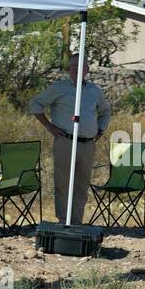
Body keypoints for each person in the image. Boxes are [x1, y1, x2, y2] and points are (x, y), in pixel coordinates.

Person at [28, 53, 112, 225]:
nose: (76, 69)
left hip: (88, 144)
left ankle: (76, 222)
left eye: (81, 67)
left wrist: (100, 130)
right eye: (73, 66)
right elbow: (35, 104)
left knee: (82, 185)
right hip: (65, 141)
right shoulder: (59, 88)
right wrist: (48, 126)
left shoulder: (94, 91)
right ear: (69, 69)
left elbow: (105, 111)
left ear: (87, 70)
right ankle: (63, 221)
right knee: (63, 184)